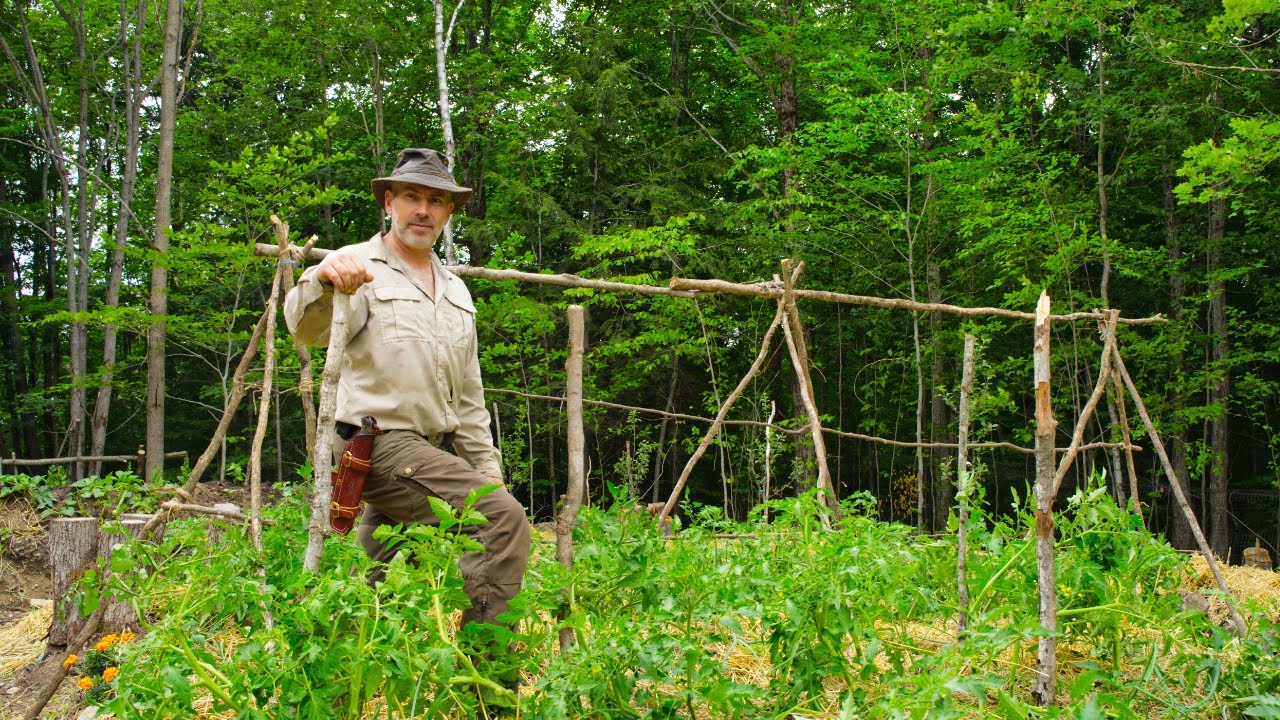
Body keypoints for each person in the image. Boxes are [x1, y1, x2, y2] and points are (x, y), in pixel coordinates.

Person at [284, 148, 531, 633]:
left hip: (424, 453)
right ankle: (490, 674)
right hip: (375, 446)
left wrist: (487, 470)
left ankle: (330, 675)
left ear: (449, 212)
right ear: (389, 202)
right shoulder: (358, 267)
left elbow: (469, 398)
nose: (424, 210)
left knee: (368, 584)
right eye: (412, 197)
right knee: (501, 520)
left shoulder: (456, 290)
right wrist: (324, 279)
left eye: (436, 201)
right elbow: (305, 328)